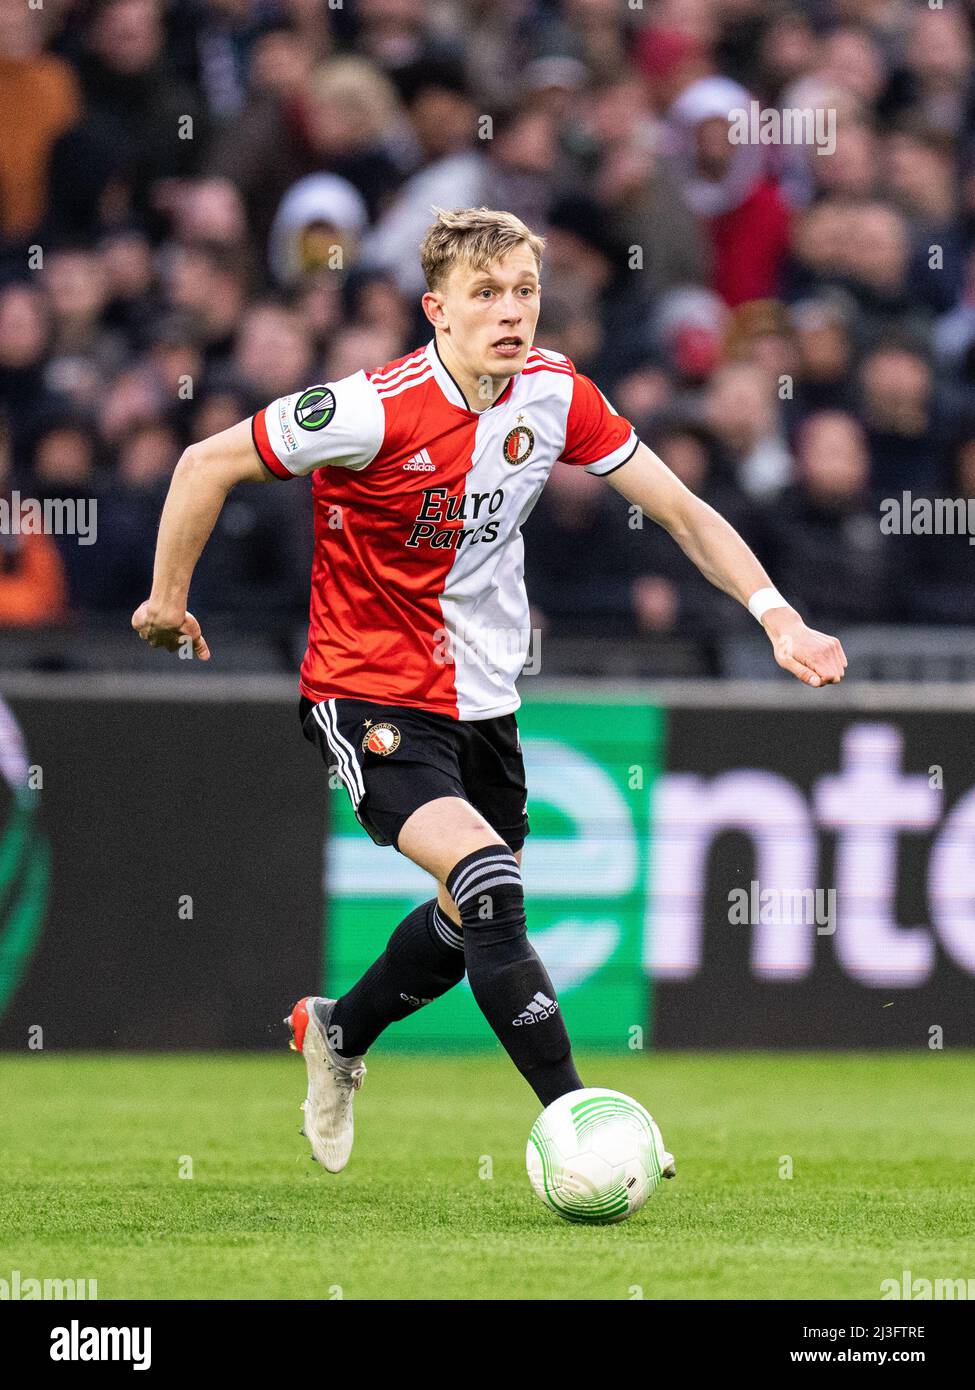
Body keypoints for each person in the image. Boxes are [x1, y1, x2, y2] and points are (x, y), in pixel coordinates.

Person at [131, 207, 846, 1173]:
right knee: (484, 880)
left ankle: (339, 1032)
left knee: (471, 914)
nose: (511, 314)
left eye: (525, 293)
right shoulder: (368, 407)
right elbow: (202, 461)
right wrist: (167, 605)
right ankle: (579, 1118)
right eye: (486, 295)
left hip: (485, 700)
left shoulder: (555, 393)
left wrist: (776, 615)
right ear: (436, 310)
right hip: (366, 689)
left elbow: (679, 510)